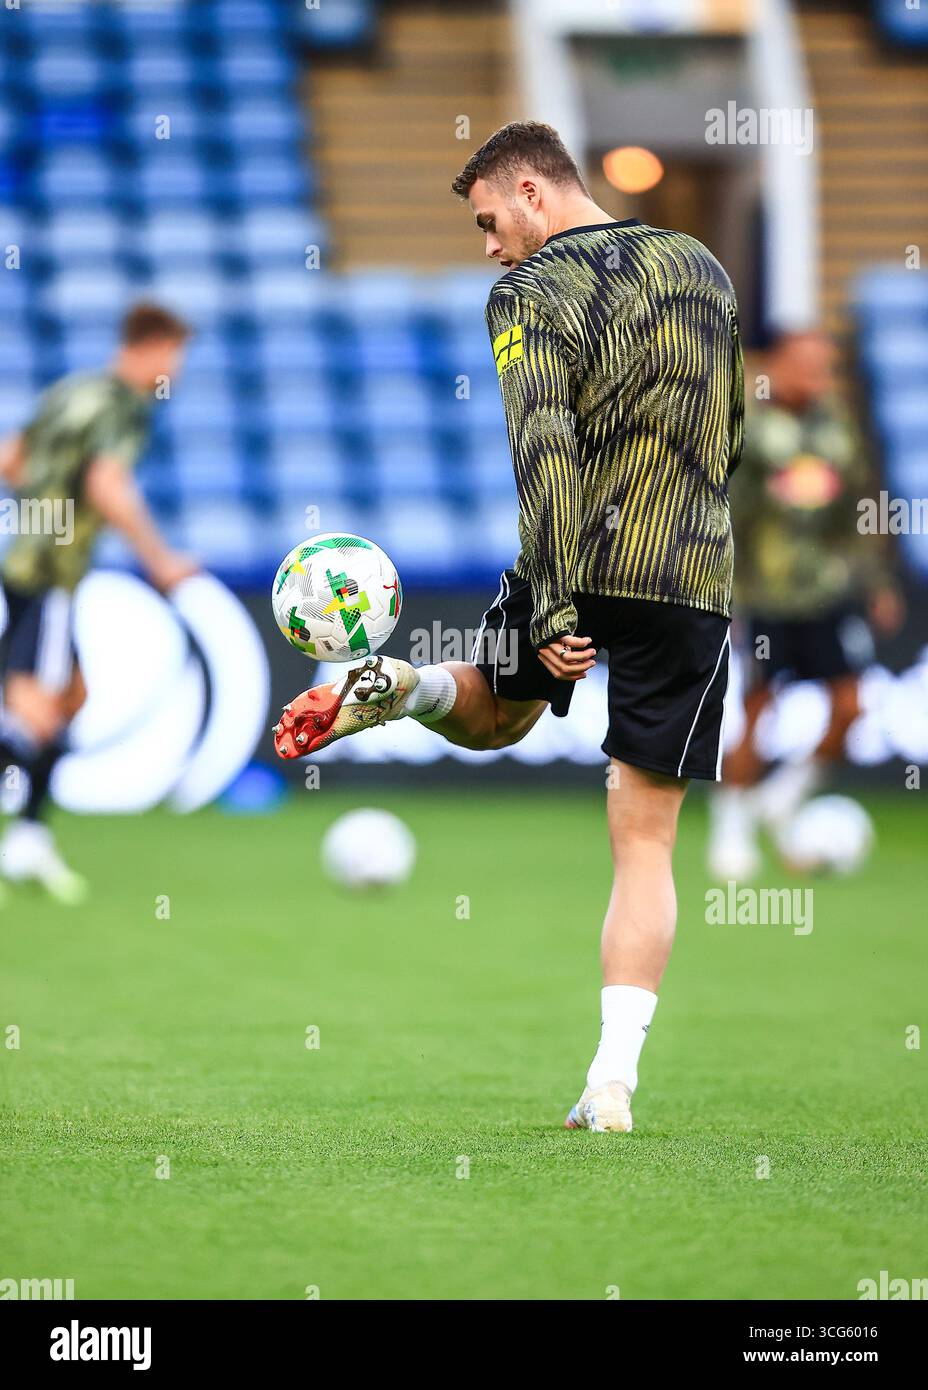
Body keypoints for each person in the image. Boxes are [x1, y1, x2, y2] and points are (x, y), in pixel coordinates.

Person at [273, 122, 744, 1133]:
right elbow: (729, 430)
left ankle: (403, 688)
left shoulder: (526, 292)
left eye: (489, 220)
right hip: (689, 566)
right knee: (645, 839)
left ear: (531, 189)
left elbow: (543, 445)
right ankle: (611, 1081)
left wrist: (559, 603)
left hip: (576, 557)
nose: (488, 245)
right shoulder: (701, 265)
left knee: (495, 719)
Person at [0, 301, 197, 902]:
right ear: (155, 347)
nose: (178, 371)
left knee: (68, 696)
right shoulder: (122, 407)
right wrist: (159, 558)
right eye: (177, 357)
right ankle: (28, 843)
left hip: (23, 561)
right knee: (36, 712)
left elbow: (11, 460)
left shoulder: (72, 390)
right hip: (52, 572)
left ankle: (29, 838)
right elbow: (107, 484)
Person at [709, 330, 903, 879]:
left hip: (829, 593)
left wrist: (878, 582)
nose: (813, 377)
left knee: (851, 706)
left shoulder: (835, 424)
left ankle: (785, 796)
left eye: (823, 367)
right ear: (777, 366)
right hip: (767, 595)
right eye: (804, 366)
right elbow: (729, 518)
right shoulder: (746, 426)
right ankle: (732, 828)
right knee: (755, 712)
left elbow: (858, 509)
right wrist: (729, 594)